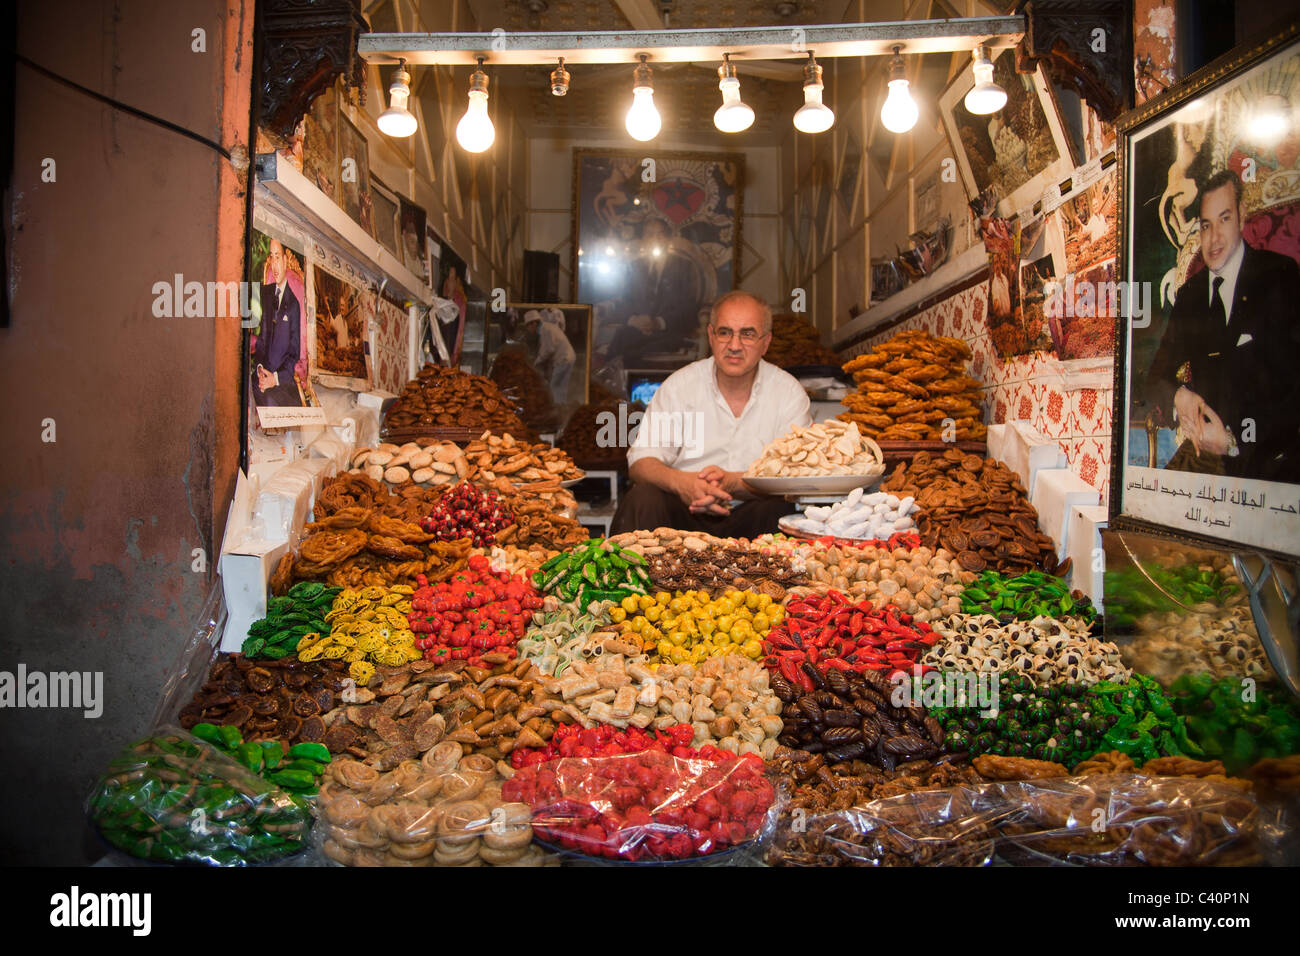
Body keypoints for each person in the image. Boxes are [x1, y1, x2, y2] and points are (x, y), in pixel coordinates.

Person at [612, 290, 812, 537]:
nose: (734, 346)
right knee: (643, 498)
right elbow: (641, 463)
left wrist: (733, 482)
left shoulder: (788, 392)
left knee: (787, 509)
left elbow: (797, 474)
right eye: (725, 332)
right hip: (684, 515)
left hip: (754, 518)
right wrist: (683, 484)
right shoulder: (679, 386)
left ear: (766, 342)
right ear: (711, 335)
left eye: (747, 334)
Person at [1146, 169, 1300, 482]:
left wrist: (1232, 443)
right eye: (1206, 225)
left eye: (1225, 219)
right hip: (1206, 461)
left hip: (1271, 458)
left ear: (1242, 217)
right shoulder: (1191, 294)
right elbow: (1154, 377)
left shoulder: (1279, 277)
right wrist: (1179, 397)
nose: (1214, 237)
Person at [252, 239, 302, 407]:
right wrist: (259, 369)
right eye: (271, 258)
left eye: (278, 258)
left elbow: (294, 354)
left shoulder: (294, 304)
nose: (274, 265)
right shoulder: (265, 295)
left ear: (286, 261)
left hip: (282, 381)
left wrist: (275, 379)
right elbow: (261, 341)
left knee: (271, 401)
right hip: (262, 376)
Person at [524, 309, 576, 404]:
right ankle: (561, 406)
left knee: (555, 387)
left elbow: (548, 350)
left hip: (563, 358)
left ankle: (557, 409)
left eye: (528, 326)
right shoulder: (546, 328)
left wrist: (535, 363)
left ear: (534, 323)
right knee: (561, 387)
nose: (528, 329)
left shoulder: (545, 329)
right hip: (567, 357)